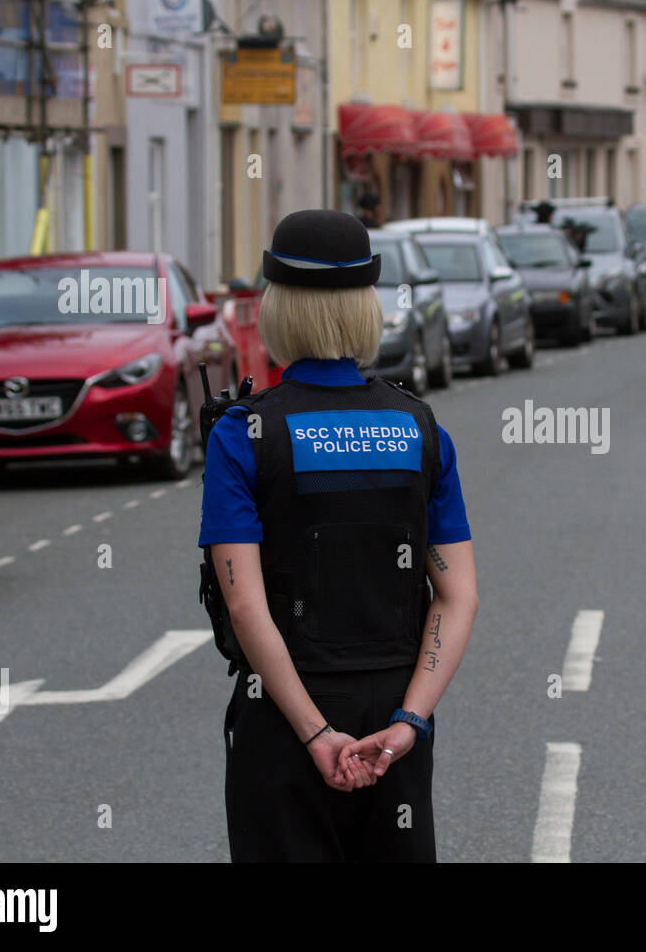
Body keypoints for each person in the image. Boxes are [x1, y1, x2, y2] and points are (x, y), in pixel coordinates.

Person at [199, 209, 479, 862]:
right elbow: (457, 596)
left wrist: (315, 732)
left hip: (282, 722)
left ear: (278, 307)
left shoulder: (244, 436)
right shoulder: (421, 429)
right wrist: (410, 722)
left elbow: (245, 605)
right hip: (394, 724)